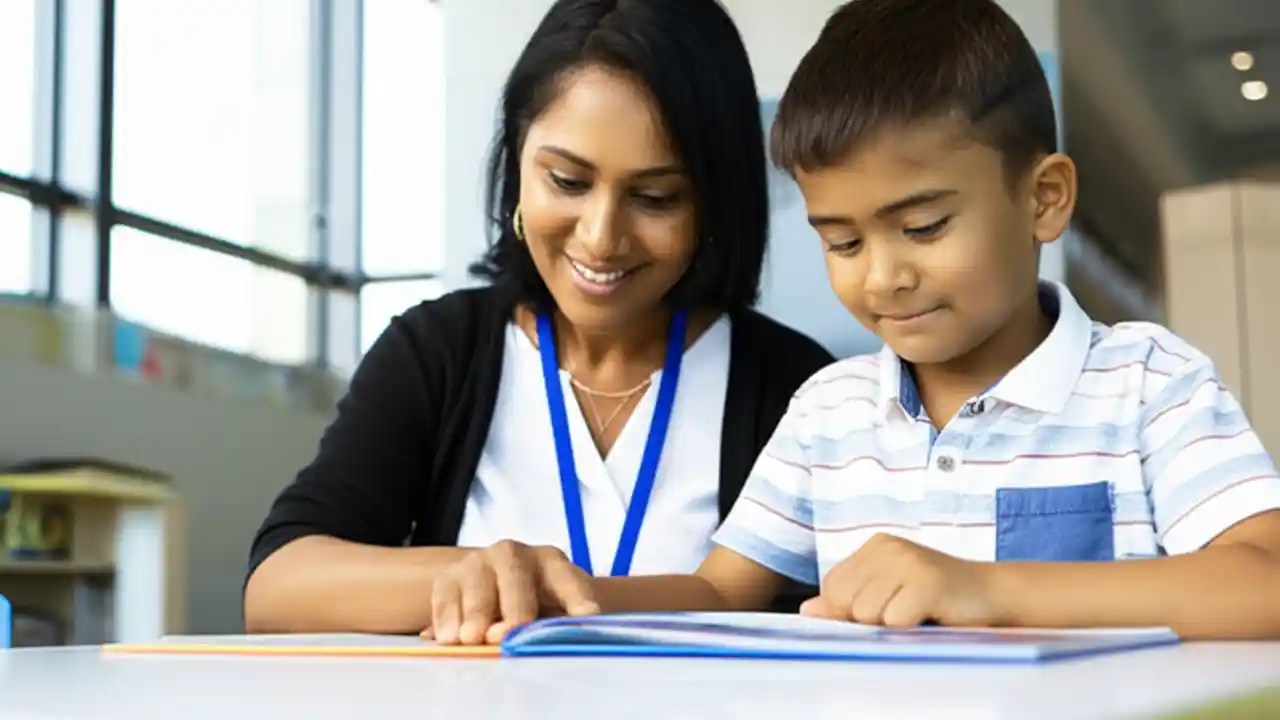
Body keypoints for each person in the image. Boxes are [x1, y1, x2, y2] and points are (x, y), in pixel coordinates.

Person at [429, 0, 1280, 646]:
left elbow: (1265, 581)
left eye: (924, 227)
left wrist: (988, 590)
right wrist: (556, 592)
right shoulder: (828, 412)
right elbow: (719, 593)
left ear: (1044, 198)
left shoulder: (1148, 383)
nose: (883, 277)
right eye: (841, 241)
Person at [243, 0, 834, 635]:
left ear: (715, 203)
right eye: (568, 182)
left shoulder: (799, 392)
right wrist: (479, 575)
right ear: (517, 164)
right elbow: (277, 588)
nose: (601, 238)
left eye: (655, 197)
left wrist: (559, 597)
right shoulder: (441, 350)